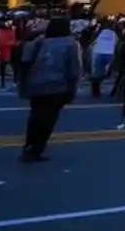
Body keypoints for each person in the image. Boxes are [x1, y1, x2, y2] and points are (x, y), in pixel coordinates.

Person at [17, 17, 81, 162]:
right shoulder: (70, 44)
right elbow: (73, 70)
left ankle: (29, 145)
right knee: (49, 118)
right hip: (57, 85)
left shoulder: (39, 42)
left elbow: (26, 61)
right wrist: (72, 89)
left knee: (35, 116)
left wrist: (23, 82)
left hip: (36, 83)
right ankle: (38, 148)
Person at [89, 20, 118, 97]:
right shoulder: (114, 34)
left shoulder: (98, 33)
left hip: (98, 51)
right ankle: (116, 90)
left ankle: (95, 90)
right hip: (110, 52)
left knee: (97, 73)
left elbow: (91, 42)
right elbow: (117, 43)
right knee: (115, 72)